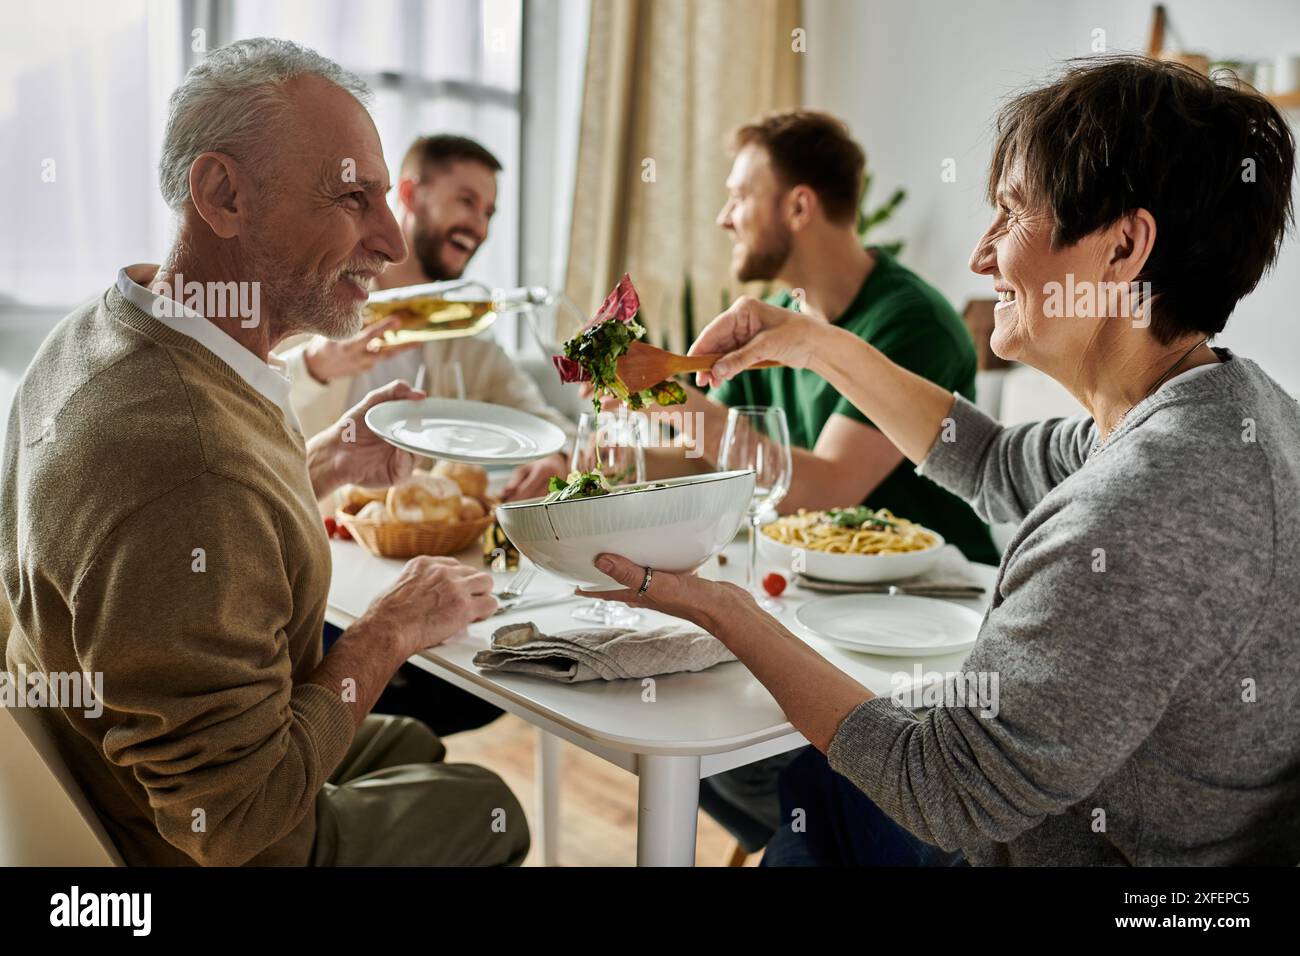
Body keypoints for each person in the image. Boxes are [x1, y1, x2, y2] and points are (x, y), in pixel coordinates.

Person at [580, 56, 1300, 865]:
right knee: (812, 798)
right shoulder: (1224, 412)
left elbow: (942, 787)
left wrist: (722, 610)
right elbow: (989, 460)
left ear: (1124, 247)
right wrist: (814, 344)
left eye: (1011, 214)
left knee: (805, 803)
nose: (980, 257)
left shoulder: (1143, 513)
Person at [0, 38, 528, 867]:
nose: (392, 243)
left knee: (414, 742)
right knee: (490, 804)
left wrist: (323, 462)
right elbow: (235, 816)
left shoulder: (104, 333)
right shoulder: (187, 459)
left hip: (119, 752)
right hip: (212, 840)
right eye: (353, 197)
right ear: (223, 194)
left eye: (385, 198)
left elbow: (197, 532)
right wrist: (389, 630)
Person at [654, 110, 997, 848]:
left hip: (922, 626)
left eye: (739, 196)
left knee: (735, 761)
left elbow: (829, 485)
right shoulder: (778, 321)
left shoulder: (913, 324)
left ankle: (855, 841)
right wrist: (594, 457)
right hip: (817, 601)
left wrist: (674, 399)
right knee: (693, 741)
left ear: (799, 205)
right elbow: (726, 454)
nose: (723, 217)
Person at [280, 134, 573, 500]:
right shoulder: (314, 294)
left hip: (419, 542)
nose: (479, 227)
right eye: (466, 201)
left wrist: (556, 459)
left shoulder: (468, 337)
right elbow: (241, 406)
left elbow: (556, 428)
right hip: (318, 538)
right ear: (409, 195)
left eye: (488, 213)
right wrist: (316, 365)